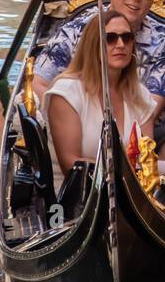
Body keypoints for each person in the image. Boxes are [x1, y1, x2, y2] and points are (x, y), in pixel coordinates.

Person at [32, 0, 165, 127]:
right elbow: (38, 83)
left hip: (143, 136)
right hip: (74, 127)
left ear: (153, 0)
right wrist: (77, 123)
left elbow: (152, 110)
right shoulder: (76, 30)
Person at [44, 10, 155, 175]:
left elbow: (146, 161)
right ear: (93, 44)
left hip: (127, 193)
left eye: (126, 37)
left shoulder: (141, 96)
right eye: (110, 38)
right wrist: (123, 172)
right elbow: (71, 163)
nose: (120, 44)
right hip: (77, 194)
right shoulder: (67, 92)